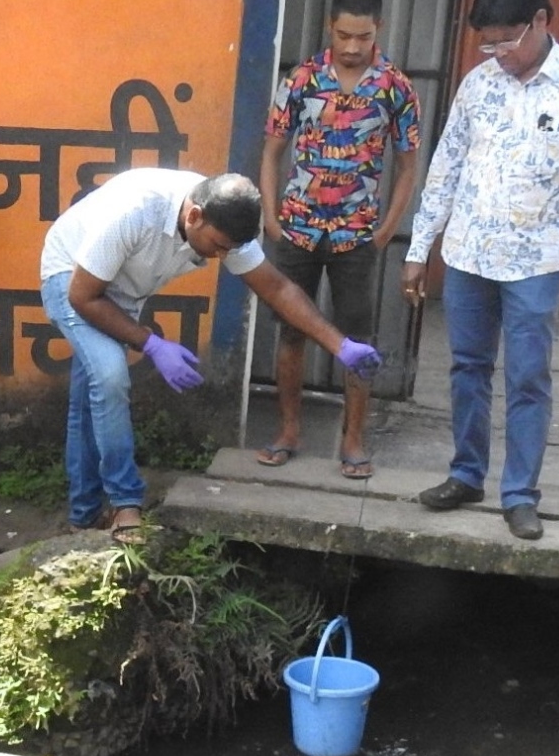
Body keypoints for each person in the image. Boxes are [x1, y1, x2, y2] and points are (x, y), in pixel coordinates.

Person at [402, 0, 559, 542]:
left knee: (529, 377)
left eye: (508, 40)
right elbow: (446, 167)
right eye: (489, 42)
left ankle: (521, 494)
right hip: (470, 254)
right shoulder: (477, 85)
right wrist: (419, 246)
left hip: (538, 261)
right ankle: (465, 474)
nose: (498, 52)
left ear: (541, 22)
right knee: (466, 369)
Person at [40, 169, 383, 544]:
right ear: (194, 216)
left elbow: (279, 289)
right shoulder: (136, 211)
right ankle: (126, 504)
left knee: (91, 400)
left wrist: (340, 345)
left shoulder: (224, 220)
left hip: (119, 288)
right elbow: (83, 297)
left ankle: (83, 516)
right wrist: (151, 344)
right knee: (109, 377)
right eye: (218, 246)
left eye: (229, 250)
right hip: (72, 274)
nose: (222, 257)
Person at [258, 0, 421, 480]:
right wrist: (270, 216)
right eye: (345, 35)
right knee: (291, 334)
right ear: (331, 26)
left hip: (357, 238)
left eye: (364, 37)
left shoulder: (395, 88)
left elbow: (408, 166)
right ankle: (288, 432)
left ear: (379, 31)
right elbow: (272, 152)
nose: (353, 47)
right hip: (298, 232)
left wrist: (384, 231)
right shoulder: (302, 79)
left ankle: (353, 441)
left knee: (358, 338)